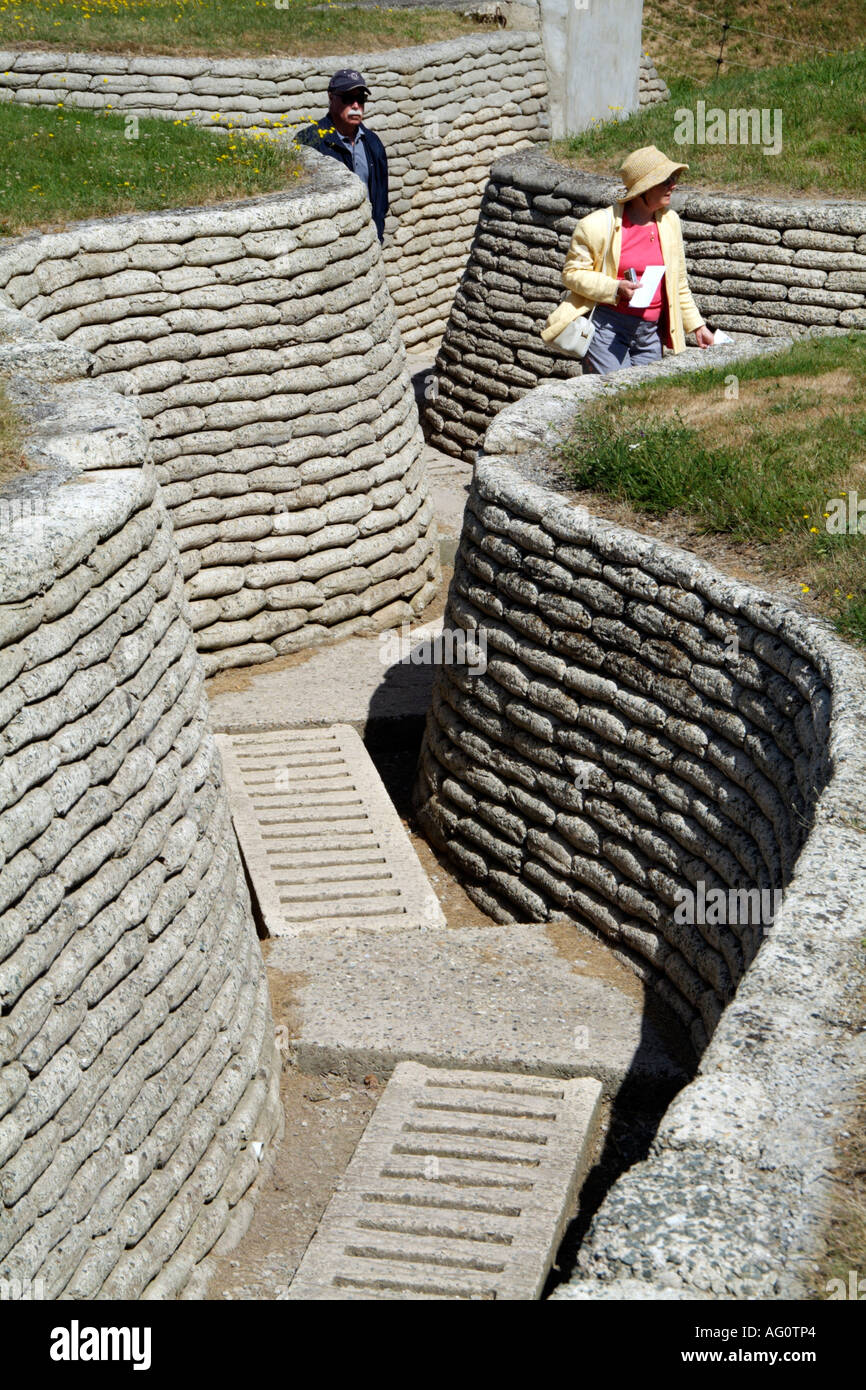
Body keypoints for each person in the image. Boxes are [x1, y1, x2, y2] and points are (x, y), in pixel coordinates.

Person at [542, 145, 714, 375]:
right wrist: (615, 288)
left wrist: (698, 326)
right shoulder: (596, 225)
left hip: (650, 334)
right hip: (608, 330)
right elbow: (572, 274)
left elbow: (678, 284)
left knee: (647, 400)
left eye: (673, 178)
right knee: (613, 397)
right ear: (643, 189)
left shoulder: (670, 222)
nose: (673, 185)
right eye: (665, 180)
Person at [295, 69, 389, 243]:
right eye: (347, 98)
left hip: (369, 244)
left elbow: (381, 198)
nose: (355, 106)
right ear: (331, 98)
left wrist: (378, 236)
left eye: (360, 99)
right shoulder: (309, 142)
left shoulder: (372, 143)